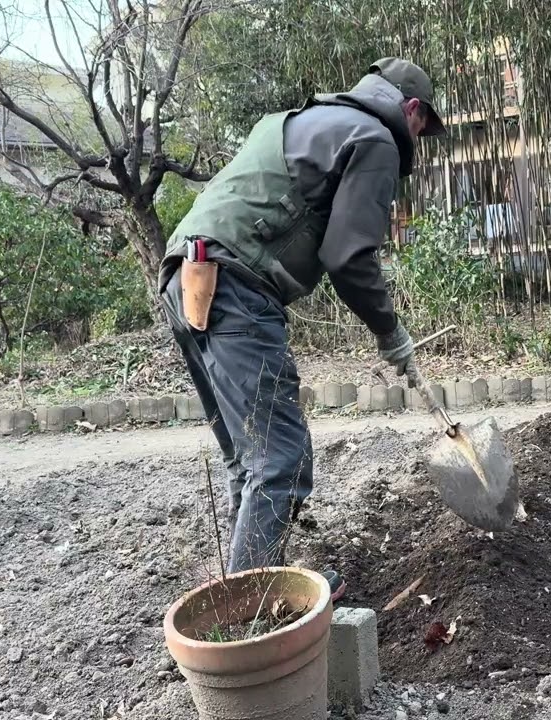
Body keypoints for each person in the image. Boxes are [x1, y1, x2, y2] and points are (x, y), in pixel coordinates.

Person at [158, 58, 446, 600]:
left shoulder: (301, 120)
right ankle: (250, 608)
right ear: (411, 110)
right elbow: (350, 256)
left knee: (250, 457)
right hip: (237, 286)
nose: (417, 139)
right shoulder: (376, 138)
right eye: (421, 129)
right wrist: (391, 333)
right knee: (279, 458)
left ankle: (250, 583)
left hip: (186, 275)